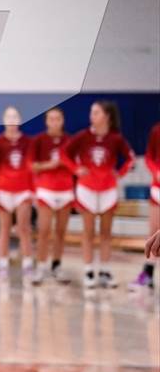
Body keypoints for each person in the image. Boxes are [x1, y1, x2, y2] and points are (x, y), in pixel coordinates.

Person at [64, 101, 135, 290]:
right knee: (88, 233)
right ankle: (88, 271)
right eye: (91, 112)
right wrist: (76, 169)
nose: (92, 116)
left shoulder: (116, 139)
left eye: (96, 112)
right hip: (86, 190)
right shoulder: (82, 136)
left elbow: (130, 158)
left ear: (107, 117)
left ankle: (105, 271)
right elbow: (65, 154)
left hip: (108, 190)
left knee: (105, 234)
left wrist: (119, 173)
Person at [0, 106, 35, 279]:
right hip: (4, 191)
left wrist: (32, 190)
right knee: (4, 229)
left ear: (20, 120)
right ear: (4, 120)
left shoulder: (28, 142)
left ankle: (28, 264)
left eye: (15, 116)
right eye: (9, 117)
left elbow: (31, 167)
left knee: (24, 228)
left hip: (23, 191)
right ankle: (3, 265)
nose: (12, 120)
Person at [28, 107, 74, 284]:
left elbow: (76, 166)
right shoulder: (39, 140)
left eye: (58, 119)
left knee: (61, 232)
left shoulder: (70, 141)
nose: (55, 122)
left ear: (63, 121)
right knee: (44, 231)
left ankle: (57, 266)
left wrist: (66, 163)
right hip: (46, 191)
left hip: (66, 191)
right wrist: (51, 165)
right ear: (46, 121)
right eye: (51, 119)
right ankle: (40, 268)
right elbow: (32, 166)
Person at [130, 121, 159, 291]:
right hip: (158, 188)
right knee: (154, 233)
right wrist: (156, 172)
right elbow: (149, 157)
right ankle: (147, 274)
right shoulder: (156, 130)